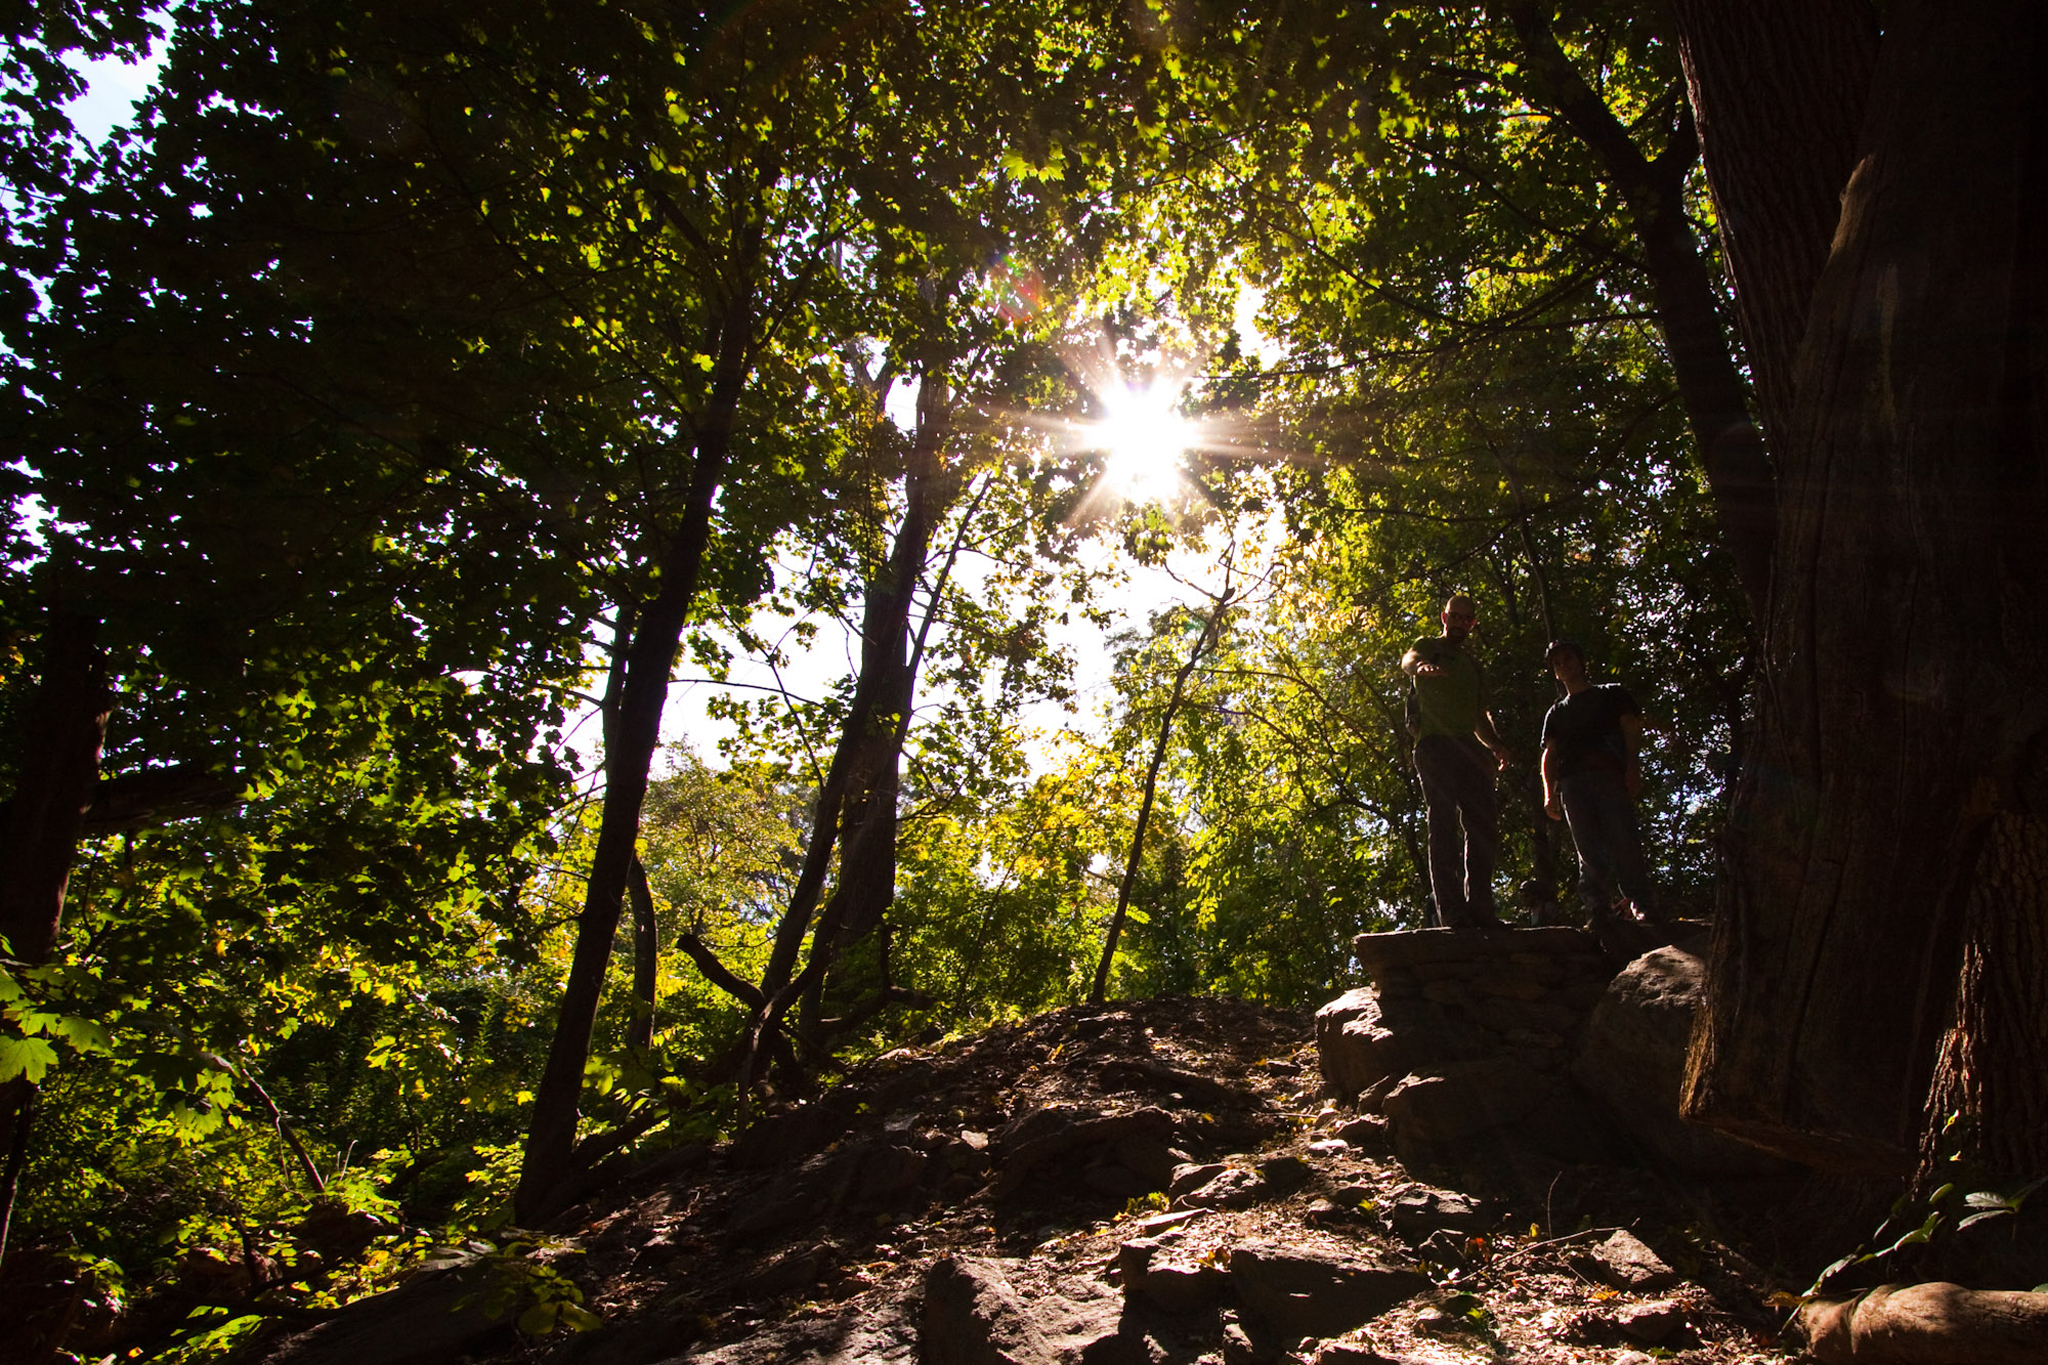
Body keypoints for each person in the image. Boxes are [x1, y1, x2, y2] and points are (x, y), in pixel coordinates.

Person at [1401, 594, 1515, 928]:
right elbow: (1408, 660)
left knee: (1483, 827)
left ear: (1473, 624)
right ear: (1444, 617)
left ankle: (1481, 908)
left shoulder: (1472, 667)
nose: (1460, 623)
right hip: (1434, 745)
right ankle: (1451, 910)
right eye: (1455, 616)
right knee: (1442, 824)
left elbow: (1480, 716)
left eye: (1467, 619)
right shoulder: (1428, 646)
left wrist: (1495, 745)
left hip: (1471, 751)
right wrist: (1420, 667)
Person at [1539, 639, 1664, 928]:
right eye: (1557, 663)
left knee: (1624, 840)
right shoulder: (1556, 712)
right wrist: (1549, 794)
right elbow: (1550, 754)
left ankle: (1643, 904)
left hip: (1610, 776)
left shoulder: (1611, 694)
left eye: (1568, 659)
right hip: (1573, 785)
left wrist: (1633, 768)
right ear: (1555, 673)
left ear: (1581, 662)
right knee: (1587, 848)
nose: (1563, 666)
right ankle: (1597, 908)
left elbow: (1631, 729)